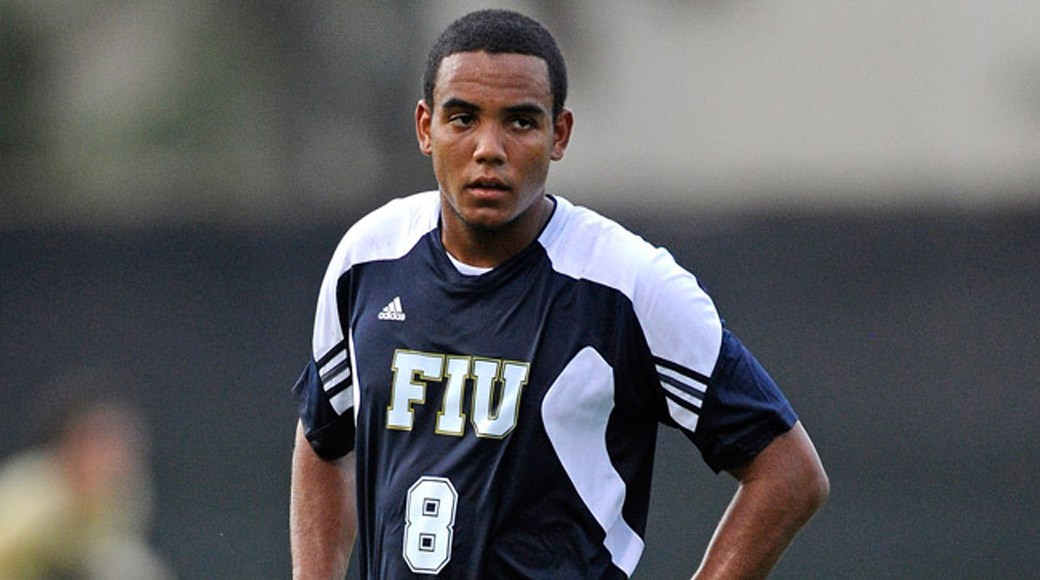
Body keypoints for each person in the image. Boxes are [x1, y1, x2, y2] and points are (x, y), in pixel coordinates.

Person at [290, 9, 829, 579]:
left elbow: (788, 471)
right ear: (426, 127)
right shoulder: (369, 259)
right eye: (463, 118)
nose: (488, 148)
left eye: (520, 122)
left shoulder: (626, 286)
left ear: (559, 134)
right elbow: (324, 435)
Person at [0, 367, 175, 579]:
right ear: (72, 446)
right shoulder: (28, 498)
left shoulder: (127, 491)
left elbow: (106, 551)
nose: (117, 460)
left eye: (125, 447)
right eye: (104, 446)